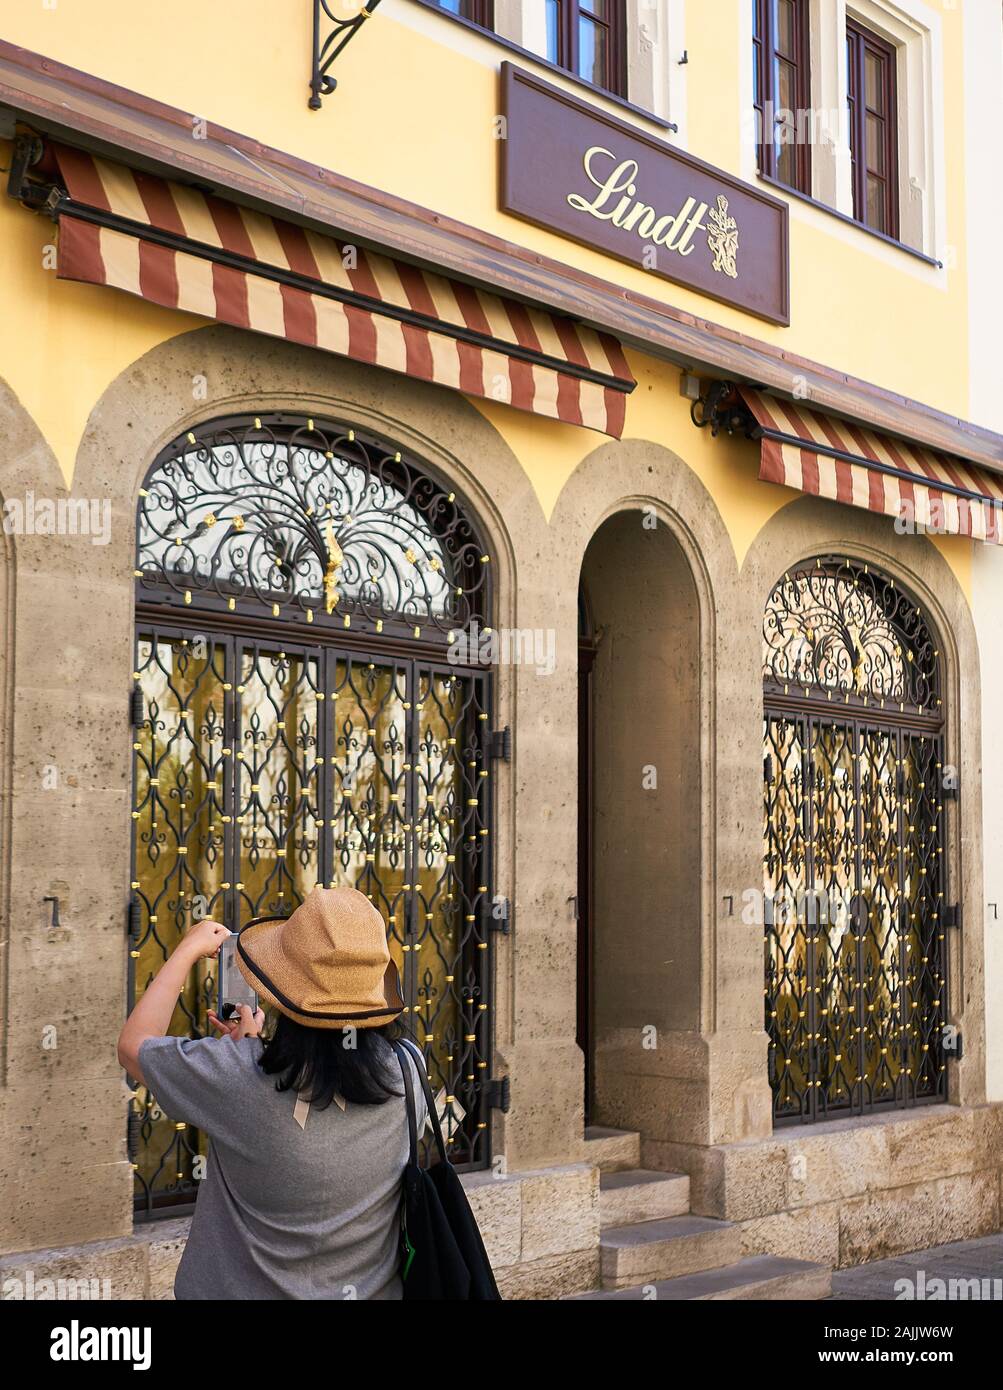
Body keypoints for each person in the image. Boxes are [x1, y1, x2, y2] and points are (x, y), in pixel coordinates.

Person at [117, 885, 428, 1300]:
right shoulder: (408, 1069)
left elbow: (133, 1046)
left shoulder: (236, 1078)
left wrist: (187, 950)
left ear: (283, 989)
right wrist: (254, 1051)